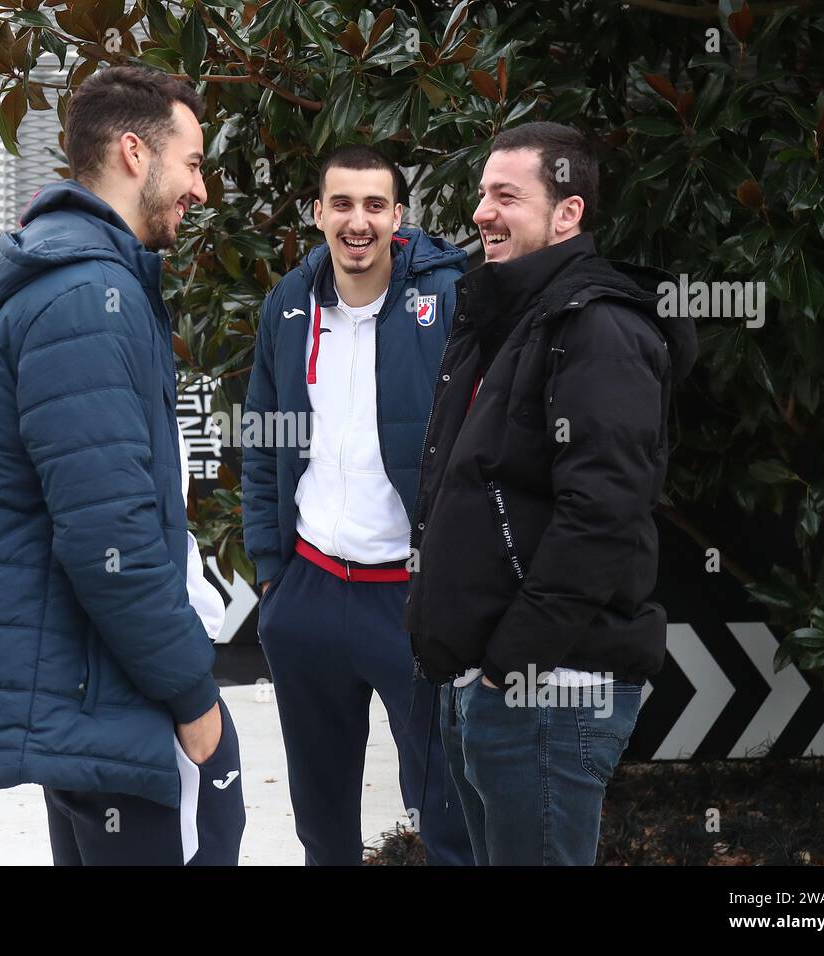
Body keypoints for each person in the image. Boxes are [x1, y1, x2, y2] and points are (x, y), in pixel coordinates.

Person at [0, 65, 244, 866]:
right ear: (136, 154)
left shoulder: (82, 283)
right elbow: (107, 532)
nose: (202, 190)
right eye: (194, 163)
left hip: (95, 697)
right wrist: (192, 697)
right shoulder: (86, 298)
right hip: (119, 699)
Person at [407, 121, 698, 865]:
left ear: (567, 214)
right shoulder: (500, 317)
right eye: (481, 194)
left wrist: (513, 664)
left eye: (507, 195)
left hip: (544, 690)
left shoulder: (599, 327)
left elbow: (602, 514)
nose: (481, 212)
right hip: (490, 685)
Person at [243, 145, 474, 865]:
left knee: (447, 818)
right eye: (341, 204)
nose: (358, 221)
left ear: (399, 216)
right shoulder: (288, 304)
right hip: (308, 593)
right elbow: (260, 438)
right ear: (317, 214)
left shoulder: (448, 299)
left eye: (375, 205)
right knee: (322, 823)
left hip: (410, 603)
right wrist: (271, 574)